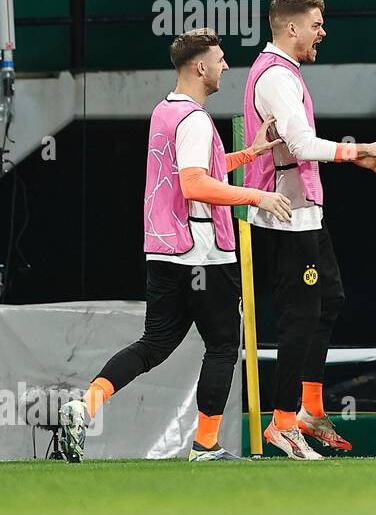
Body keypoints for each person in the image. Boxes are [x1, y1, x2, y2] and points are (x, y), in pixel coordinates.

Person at [58, 30, 292, 463]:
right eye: (220, 60)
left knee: (154, 344)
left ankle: (83, 405)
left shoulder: (165, 112)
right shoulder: (196, 119)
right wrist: (259, 196)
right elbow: (194, 183)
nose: (225, 67)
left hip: (165, 251)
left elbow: (198, 167)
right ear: (200, 66)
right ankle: (205, 445)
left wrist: (249, 154)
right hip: (203, 253)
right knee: (223, 345)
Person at [242, 0, 376, 459]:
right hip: (286, 215)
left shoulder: (284, 73)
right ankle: (281, 423)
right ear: (291, 28)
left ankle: (309, 410)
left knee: (328, 298)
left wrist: (357, 159)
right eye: (316, 24)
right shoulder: (276, 76)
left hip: (302, 212)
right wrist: (360, 149)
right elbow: (299, 144)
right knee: (300, 315)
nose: (323, 32)